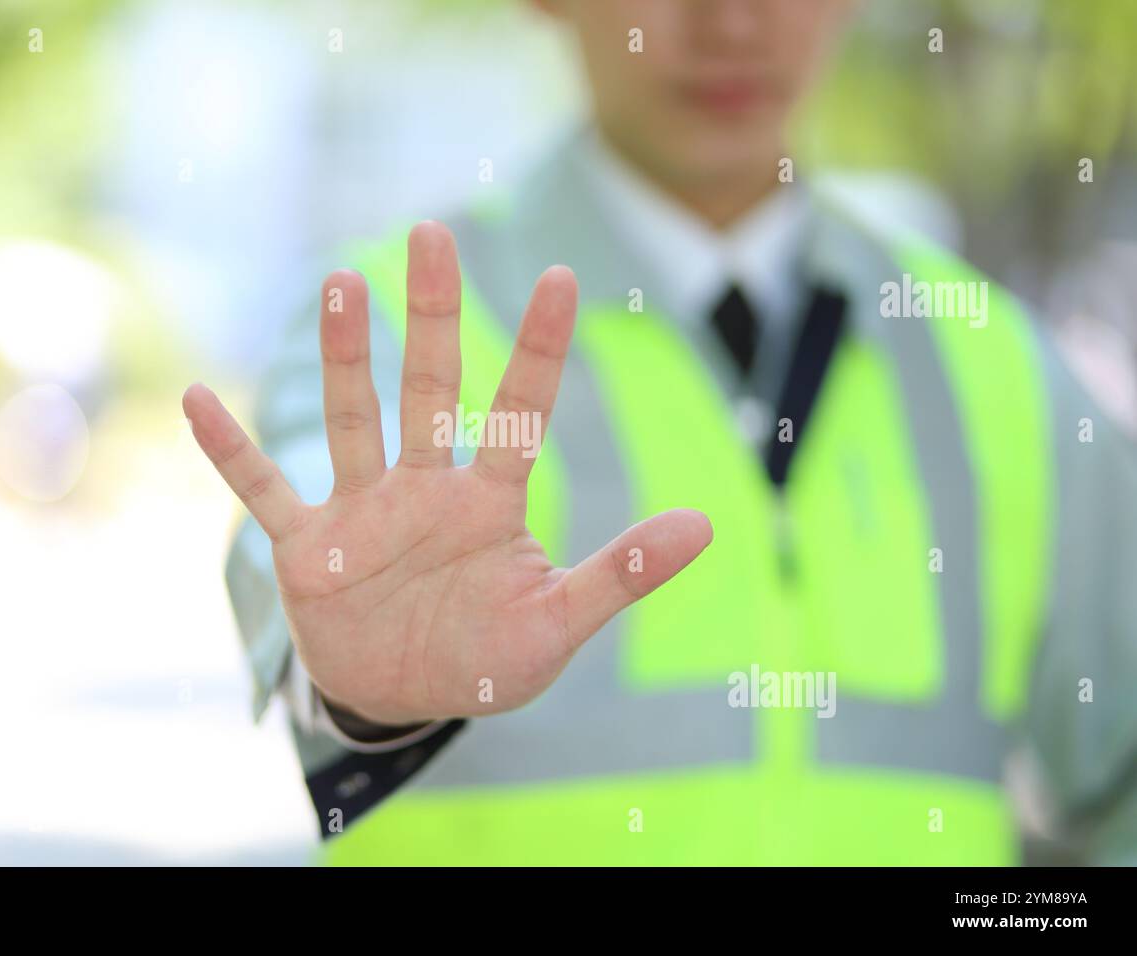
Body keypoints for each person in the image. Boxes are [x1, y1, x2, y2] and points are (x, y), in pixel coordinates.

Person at [183, 0, 1137, 864]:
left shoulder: (997, 359)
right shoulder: (387, 322)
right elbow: (307, 578)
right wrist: (355, 689)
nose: (729, 22)